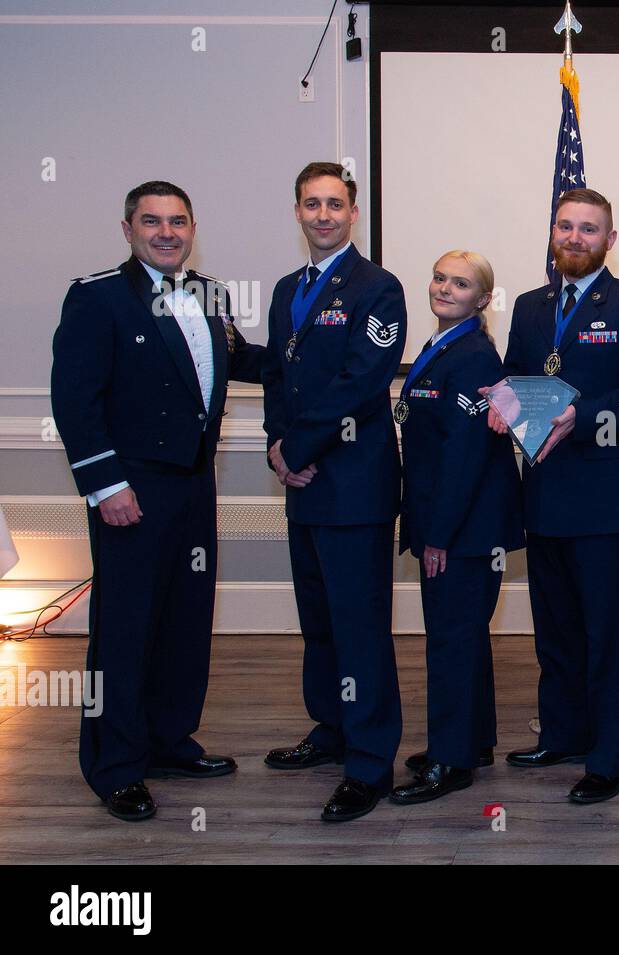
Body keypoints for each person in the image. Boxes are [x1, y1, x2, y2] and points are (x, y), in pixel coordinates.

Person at [51, 180, 264, 820]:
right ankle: (114, 765)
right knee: (124, 628)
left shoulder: (210, 294)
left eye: (178, 221)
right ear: (128, 229)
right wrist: (105, 486)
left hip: (195, 482)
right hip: (130, 489)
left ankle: (168, 740)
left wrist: (316, 357)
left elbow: (236, 362)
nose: (166, 232)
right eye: (152, 221)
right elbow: (75, 400)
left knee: (184, 618)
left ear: (192, 227)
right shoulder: (96, 298)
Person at [484, 188, 619, 804]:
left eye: (588, 229)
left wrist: (579, 415)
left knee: (606, 633)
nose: (574, 237)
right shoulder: (533, 307)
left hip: (602, 498)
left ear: (609, 240)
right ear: (553, 234)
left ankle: (611, 759)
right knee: (556, 630)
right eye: (565, 226)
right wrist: (501, 403)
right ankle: (563, 734)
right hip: (541, 493)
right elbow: (517, 379)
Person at [261, 162, 407, 822]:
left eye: (335, 204)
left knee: (360, 627)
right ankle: (332, 729)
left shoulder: (379, 287)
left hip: (352, 484)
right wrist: (276, 443)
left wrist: (298, 449)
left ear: (354, 213)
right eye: (312, 204)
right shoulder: (290, 287)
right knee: (319, 623)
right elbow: (276, 376)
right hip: (303, 482)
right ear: (297, 211)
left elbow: (360, 379)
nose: (323, 214)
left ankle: (370, 760)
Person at [388, 251, 524, 805]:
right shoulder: (442, 344)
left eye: (461, 283)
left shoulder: (470, 356)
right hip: (454, 522)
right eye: (440, 277)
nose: (445, 288)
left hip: (462, 529)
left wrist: (438, 534)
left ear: (483, 299)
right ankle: (472, 741)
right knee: (465, 637)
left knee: (451, 640)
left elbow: (464, 457)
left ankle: (451, 761)